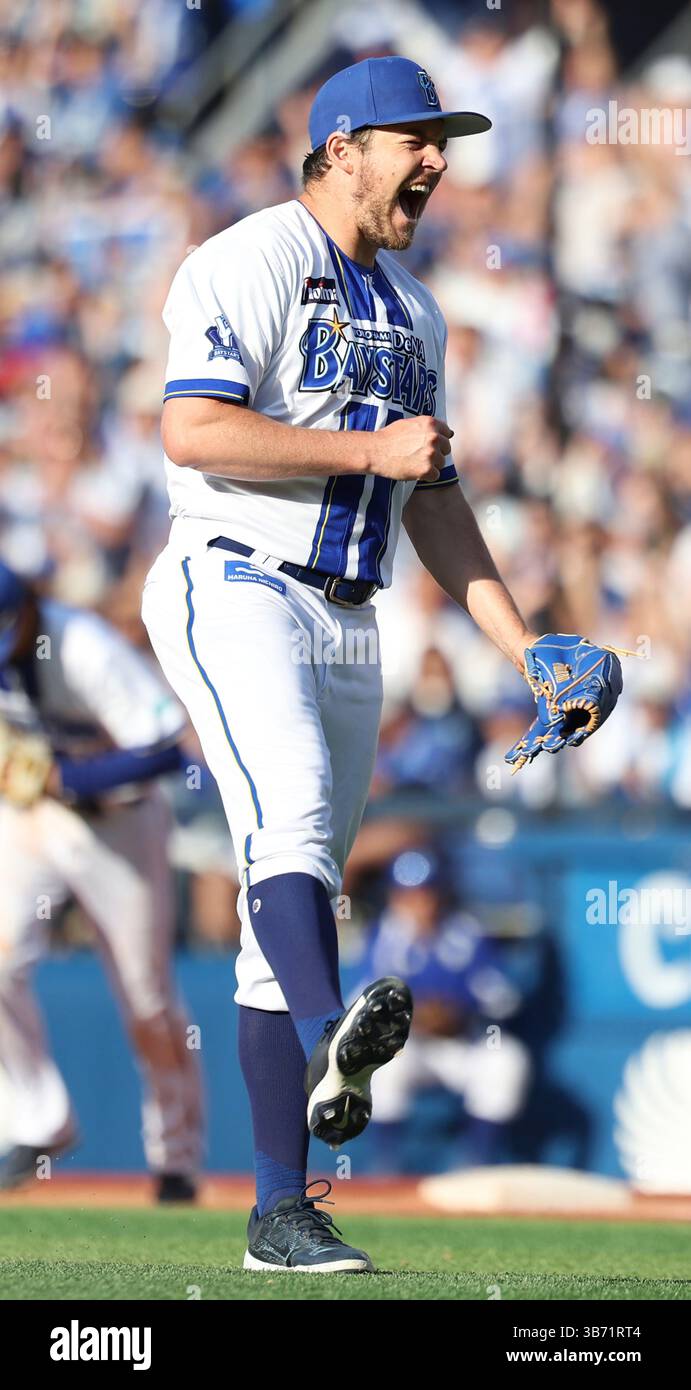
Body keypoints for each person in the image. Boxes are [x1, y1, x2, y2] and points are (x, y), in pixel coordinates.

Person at [141, 55, 620, 1273]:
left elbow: (433, 495)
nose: (440, 158)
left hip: (351, 618)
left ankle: (276, 1211)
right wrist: (364, 449)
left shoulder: (416, 311)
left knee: (281, 890)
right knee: (293, 813)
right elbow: (191, 425)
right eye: (417, 135)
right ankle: (329, 1035)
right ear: (342, 143)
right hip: (234, 572)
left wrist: (526, 652)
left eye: (445, 138)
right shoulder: (246, 256)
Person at [0, 562, 203, 1202]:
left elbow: (168, 747)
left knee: (147, 1002)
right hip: (39, 819)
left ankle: (176, 1157)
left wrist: (70, 778)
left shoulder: (82, 644)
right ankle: (39, 1122)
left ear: (29, 606)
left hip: (123, 825)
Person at [361, 849, 530, 1170]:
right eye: (408, 895)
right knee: (381, 1061)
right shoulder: (386, 935)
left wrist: (458, 1008)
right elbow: (365, 1001)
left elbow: (503, 998)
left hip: (461, 1043)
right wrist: (418, 1013)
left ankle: (478, 1160)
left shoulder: (465, 931)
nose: (420, 904)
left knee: (506, 1059)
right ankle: (384, 1166)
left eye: (426, 894)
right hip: (408, 1046)